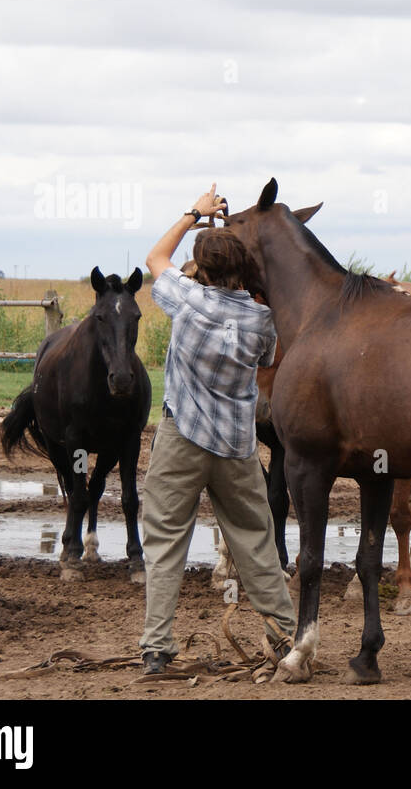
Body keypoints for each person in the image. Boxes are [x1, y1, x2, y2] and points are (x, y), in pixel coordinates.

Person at [139, 184, 296, 678]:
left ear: (201, 270)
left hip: (181, 436)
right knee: (255, 539)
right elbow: (267, 361)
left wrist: (195, 213)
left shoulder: (186, 299)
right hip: (236, 445)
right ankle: (286, 635)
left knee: (165, 538)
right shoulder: (264, 322)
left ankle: (158, 647)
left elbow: (155, 257)